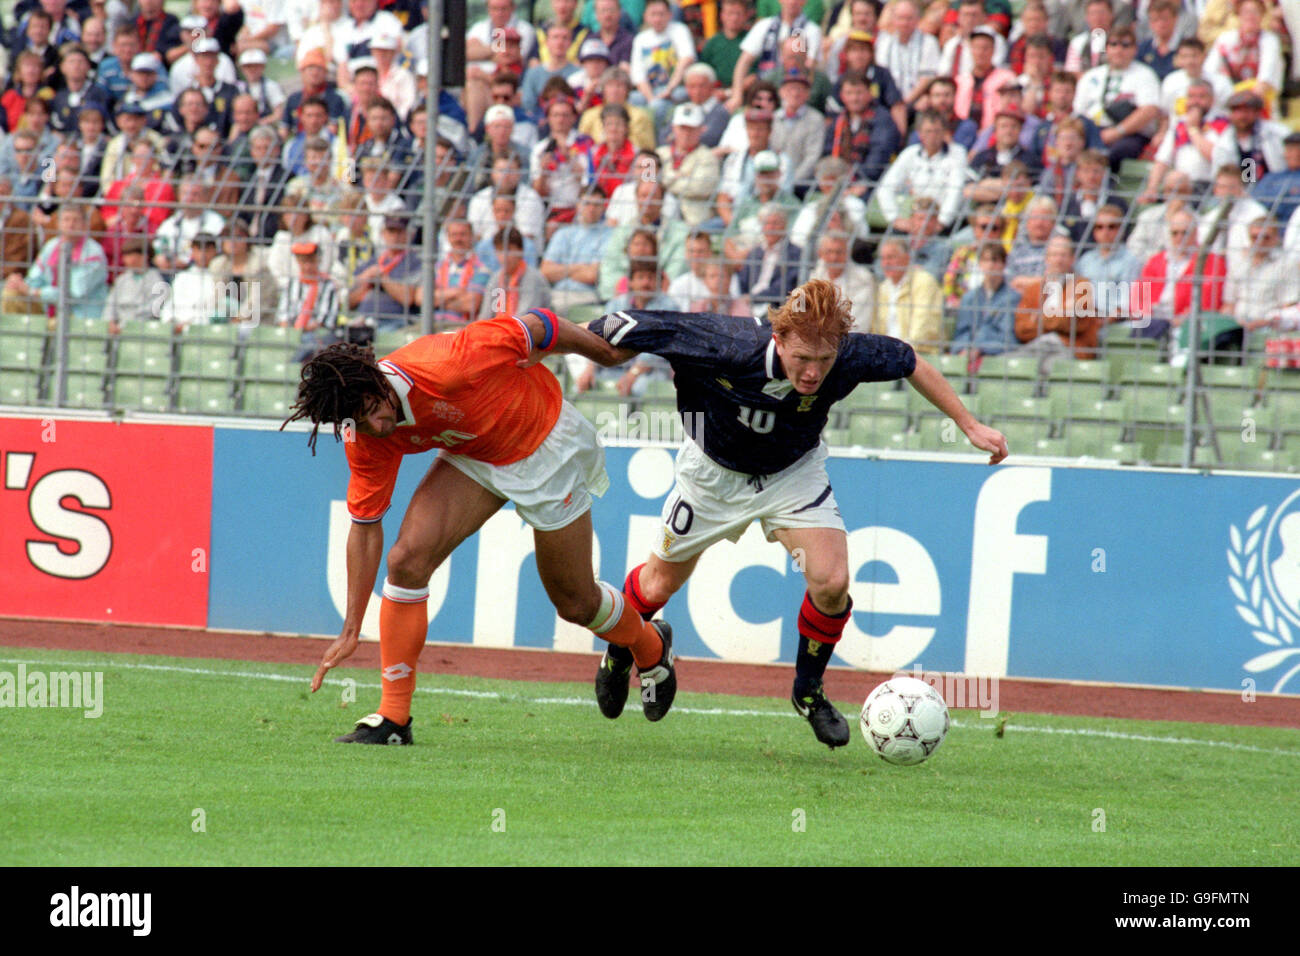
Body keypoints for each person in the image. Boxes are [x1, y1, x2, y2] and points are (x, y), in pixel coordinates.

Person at [579, 278, 1007, 747]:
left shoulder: (849, 354)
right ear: (778, 339)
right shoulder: (728, 343)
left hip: (792, 474)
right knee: (657, 585)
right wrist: (542, 342)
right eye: (802, 358)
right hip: (712, 475)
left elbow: (910, 361)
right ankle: (621, 650)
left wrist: (968, 424)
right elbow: (620, 326)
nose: (813, 372)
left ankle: (808, 691)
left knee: (832, 582)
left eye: (824, 359)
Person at [284, 308, 677, 742]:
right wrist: (351, 628)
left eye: (373, 410)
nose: (375, 427)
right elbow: (364, 527)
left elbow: (537, 325)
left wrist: (601, 354)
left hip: (543, 443)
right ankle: (393, 719)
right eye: (359, 423)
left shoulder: (447, 364)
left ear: (378, 382)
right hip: (475, 453)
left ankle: (649, 645)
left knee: (576, 604)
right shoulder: (364, 433)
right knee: (407, 561)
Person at [950, 241, 1020, 365]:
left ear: (1004, 264)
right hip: (968, 356)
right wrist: (963, 349)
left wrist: (981, 348)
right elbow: (962, 332)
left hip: (999, 358)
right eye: (986, 260)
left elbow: (1008, 337)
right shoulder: (969, 298)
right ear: (980, 264)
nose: (990, 265)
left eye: (995, 260)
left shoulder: (1013, 298)